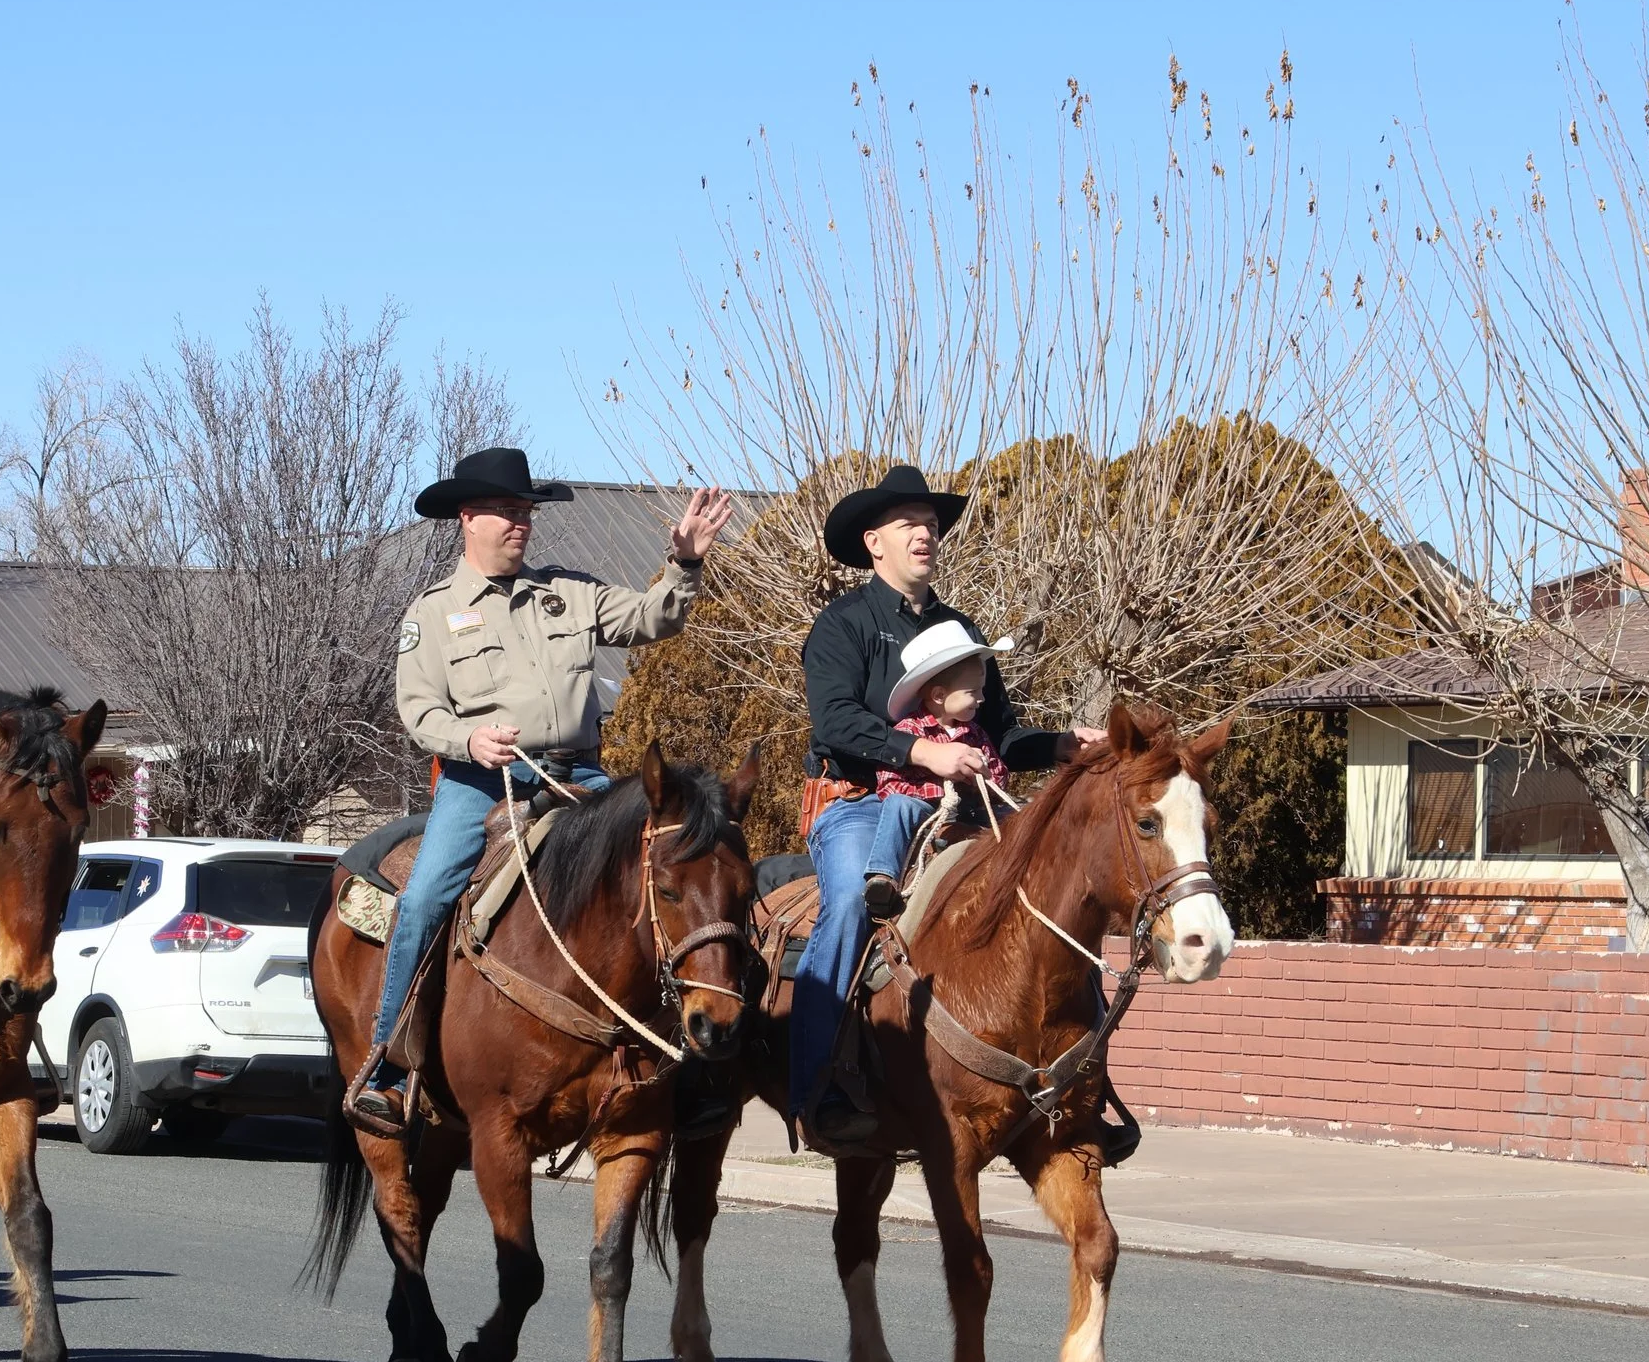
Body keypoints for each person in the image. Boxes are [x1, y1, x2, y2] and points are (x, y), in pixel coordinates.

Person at [351, 447, 731, 1133]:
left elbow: (654, 618)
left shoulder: (570, 591)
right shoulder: (433, 613)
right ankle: (389, 1064)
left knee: (667, 869)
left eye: (527, 511)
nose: (522, 522)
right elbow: (417, 708)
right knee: (428, 895)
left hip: (578, 773)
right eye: (508, 510)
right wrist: (468, 740)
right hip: (481, 781)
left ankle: (686, 1064)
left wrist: (685, 564)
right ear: (468, 517)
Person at [792, 465, 1103, 1152]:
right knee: (849, 902)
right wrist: (918, 752)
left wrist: (1061, 743)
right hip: (862, 805)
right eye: (911, 523)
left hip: (962, 804)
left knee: (1056, 891)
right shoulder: (841, 625)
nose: (926, 533)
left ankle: (1090, 1086)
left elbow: (997, 734)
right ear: (874, 542)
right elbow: (835, 721)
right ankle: (818, 1084)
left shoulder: (962, 628)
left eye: (931, 523)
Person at [856, 619, 1017, 920]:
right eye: (973, 691)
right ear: (940, 696)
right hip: (924, 813)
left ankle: (1026, 869)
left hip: (971, 810)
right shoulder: (910, 730)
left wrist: (986, 777)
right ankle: (883, 877)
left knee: (1016, 816)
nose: (981, 699)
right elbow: (888, 784)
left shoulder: (977, 734)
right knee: (898, 806)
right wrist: (936, 786)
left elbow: (1000, 777)